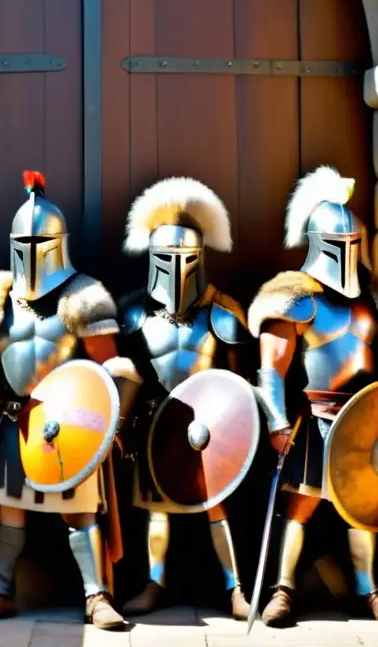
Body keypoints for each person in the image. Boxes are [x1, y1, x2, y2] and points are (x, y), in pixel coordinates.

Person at [0, 171, 127, 631]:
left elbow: (111, 371)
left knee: (78, 510)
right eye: (22, 243)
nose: (31, 253)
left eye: (39, 243)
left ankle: (97, 596)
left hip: (72, 424)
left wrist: (107, 428)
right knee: (10, 508)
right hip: (15, 421)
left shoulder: (82, 296)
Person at [248, 166, 378, 627]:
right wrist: (277, 422)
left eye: (351, 244)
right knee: (301, 501)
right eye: (337, 244)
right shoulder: (295, 297)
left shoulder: (375, 299)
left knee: (362, 503)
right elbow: (270, 370)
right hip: (312, 415)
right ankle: (283, 589)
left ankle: (368, 589)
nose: (345, 253)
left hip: (365, 417)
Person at [111, 177, 251, 619]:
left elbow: (240, 381)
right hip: (153, 424)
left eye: (186, 257)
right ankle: (155, 584)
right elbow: (122, 375)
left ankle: (236, 586)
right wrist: (120, 427)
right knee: (157, 511)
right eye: (167, 257)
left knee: (217, 506)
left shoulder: (221, 313)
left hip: (211, 429)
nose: (177, 267)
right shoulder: (133, 313)